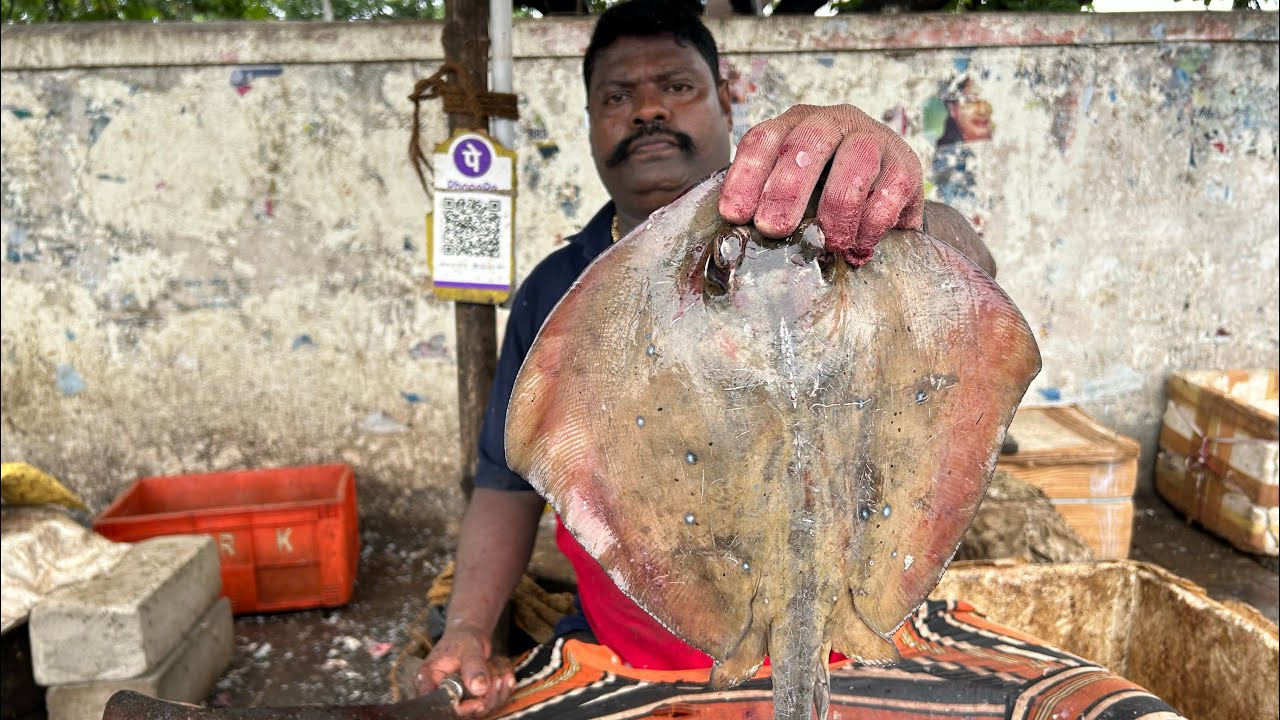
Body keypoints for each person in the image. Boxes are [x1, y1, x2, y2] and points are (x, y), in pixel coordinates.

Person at [415, 0, 995, 715]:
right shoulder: (559, 292)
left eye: (677, 86)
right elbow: (506, 483)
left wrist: (895, 202)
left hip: (860, 653)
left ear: (726, 100)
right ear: (590, 121)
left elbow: (968, 274)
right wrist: (469, 627)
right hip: (631, 660)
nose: (647, 110)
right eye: (617, 97)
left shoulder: (830, 236)